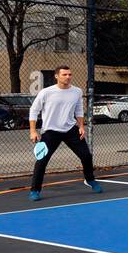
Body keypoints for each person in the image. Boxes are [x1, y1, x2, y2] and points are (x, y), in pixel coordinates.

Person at [28, 66, 101, 201]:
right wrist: (33, 131)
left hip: (70, 130)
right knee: (41, 161)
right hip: (50, 132)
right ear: (57, 76)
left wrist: (81, 126)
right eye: (64, 74)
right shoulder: (46, 92)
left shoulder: (77, 91)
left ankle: (90, 179)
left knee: (86, 155)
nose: (68, 77)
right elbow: (33, 110)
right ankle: (35, 190)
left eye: (69, 74)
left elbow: (79, 109)